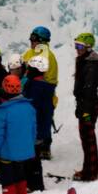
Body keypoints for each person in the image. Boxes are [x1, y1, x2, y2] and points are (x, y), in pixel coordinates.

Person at [21, 26, 59, 160]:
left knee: (43, 117)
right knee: (38, 117)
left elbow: (39, 76)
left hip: (43, 93)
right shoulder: (30, 53)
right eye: (31, 37)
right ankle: (37, 143)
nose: (31, 41)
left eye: (34, 38)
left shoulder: (47, 55)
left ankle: (44, 145)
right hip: (32, 91)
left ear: (42, 40)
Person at [71, 31, 98, 181]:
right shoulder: (84, 61)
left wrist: (86, 111)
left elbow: (89, 89)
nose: (77, 48)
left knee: (88, 138)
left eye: (80, 46)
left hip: (88, 104)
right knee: (86, 138)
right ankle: (89, 169)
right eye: (76, 45)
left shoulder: (90, 64)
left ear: (89, 47)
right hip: (84, 103)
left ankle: (90, 172)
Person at [20, 55, 50, 193]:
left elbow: (32, 108)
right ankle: (34, 183)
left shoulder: (36, 87)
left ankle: (35, 184)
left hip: (33, 128)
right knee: (33, 156)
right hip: (37, 128)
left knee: (32, 157)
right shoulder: (40, 86)